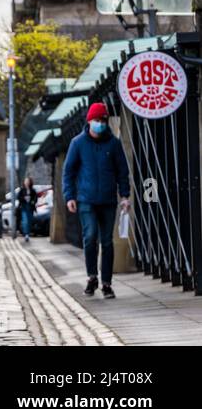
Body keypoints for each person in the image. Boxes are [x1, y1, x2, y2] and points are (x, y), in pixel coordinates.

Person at [62, 102, 130, 298]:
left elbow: (122, 172)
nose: (100, 123)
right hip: (86, 199)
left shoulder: (114, 144)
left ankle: (106, 283)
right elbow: (68, 172)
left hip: (108, 200)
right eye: (97, 120)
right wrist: (70, 197)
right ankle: (92, 276)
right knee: (90, 236)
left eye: (103, 120)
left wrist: (125, 196)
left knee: (107, 242)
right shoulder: (78, 143)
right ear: (89, 121)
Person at [17, 176, 39, 243]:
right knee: (25, 220)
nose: (26, 182)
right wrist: (24, 198)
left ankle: (28, 233)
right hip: (24, 206)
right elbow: (19, 197)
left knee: (29, 221)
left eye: (28, 181)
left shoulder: (32, 190)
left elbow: (35, 197)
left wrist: (33, 201)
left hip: (30, 207)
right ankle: (26, 234)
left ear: (30, 182)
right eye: (25, 181)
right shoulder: (22, 190)